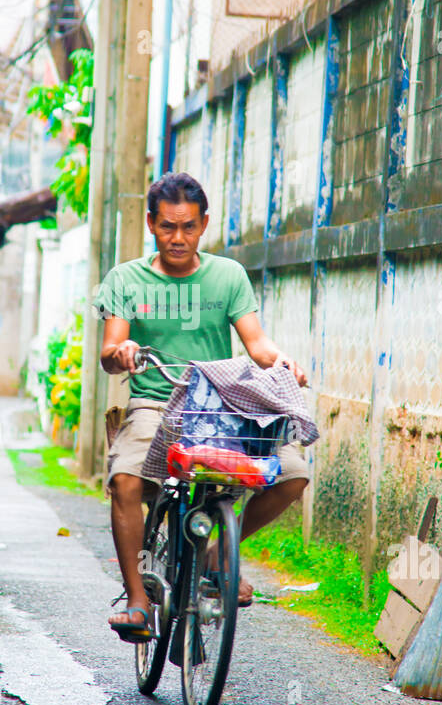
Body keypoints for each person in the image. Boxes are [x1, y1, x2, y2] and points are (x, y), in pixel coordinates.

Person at [94, 171, 311, 642]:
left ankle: (215, 552)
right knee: (126, 480)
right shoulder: (126, 279)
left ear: (204, 224)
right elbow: (110, 352)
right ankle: (135, 599)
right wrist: (123, 351)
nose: (178, 238)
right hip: (154, 403)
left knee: (292, 473)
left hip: (220, 406)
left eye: (188, 227)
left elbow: (256, 344)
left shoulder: (228, 275)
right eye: (168, 226)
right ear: (151, 223)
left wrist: (283, 362)